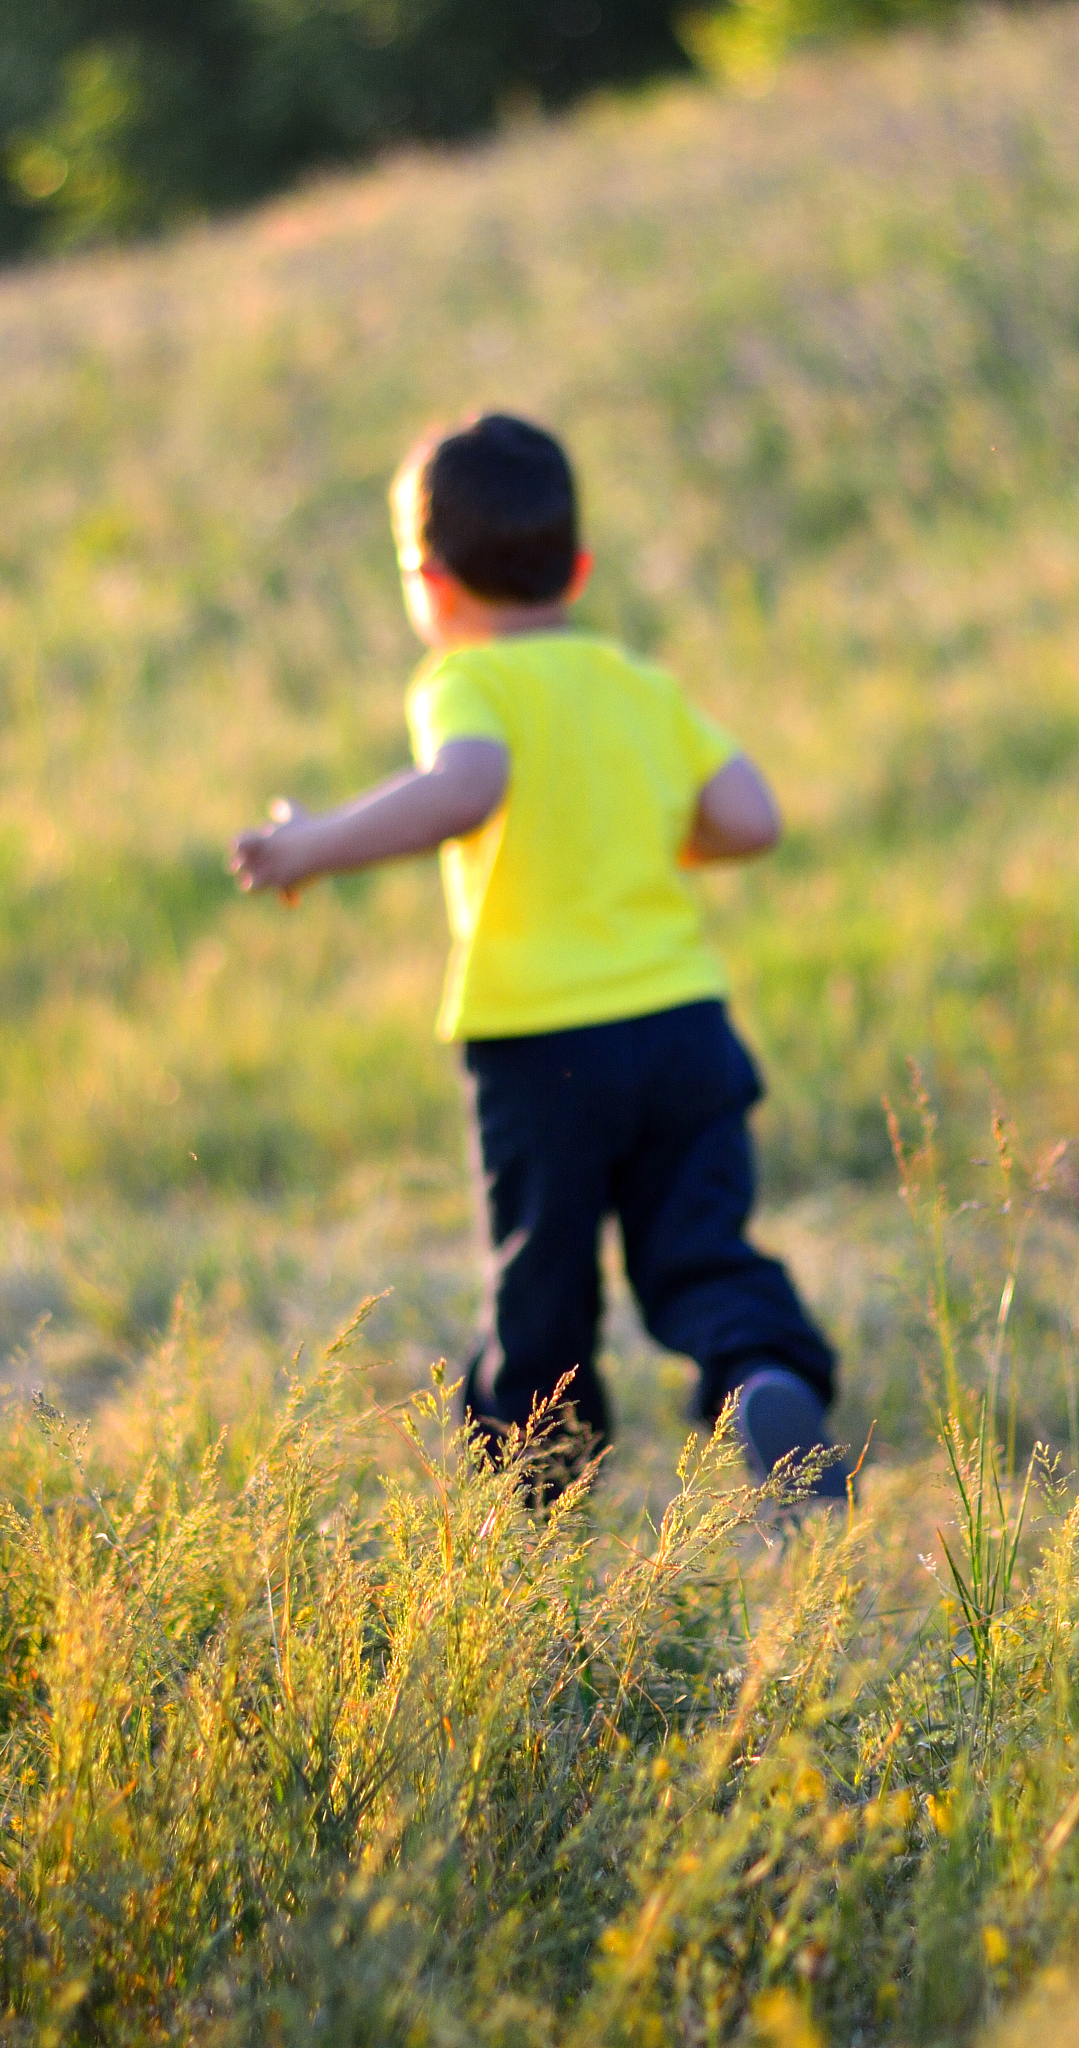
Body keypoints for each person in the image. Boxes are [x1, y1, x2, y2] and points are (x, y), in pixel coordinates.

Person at [230, 412, 844, 1499]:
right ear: (581, 566)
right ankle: (761, 1377)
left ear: (431, 582)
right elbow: (751, 817)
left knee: (545, 1284)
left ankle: (537, 1501)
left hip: (541, 1042)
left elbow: (465, 788)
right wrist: (643, 825)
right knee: (700, 1246)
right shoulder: (636, 683)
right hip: (682, 1028)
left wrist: (311, 845)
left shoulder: (467, 680)